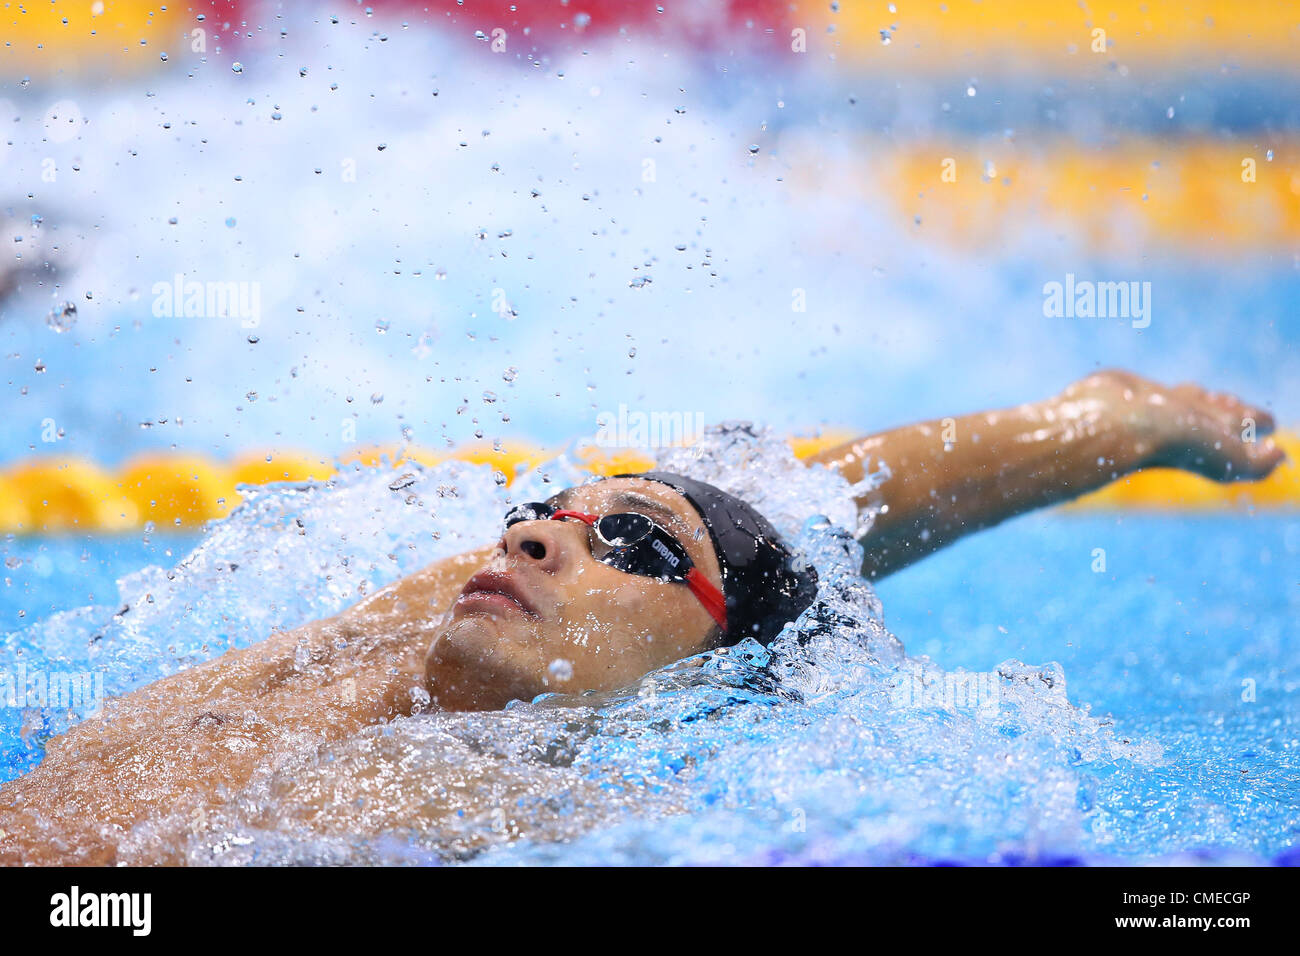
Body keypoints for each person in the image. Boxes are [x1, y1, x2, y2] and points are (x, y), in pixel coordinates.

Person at [0, 369, 1283, 864]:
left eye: (630, 542)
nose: (532, 531)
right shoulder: (399, 639)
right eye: (543, 510)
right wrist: (1097, 431)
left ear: (703, 659)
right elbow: (819, 513)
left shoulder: (521, 810)